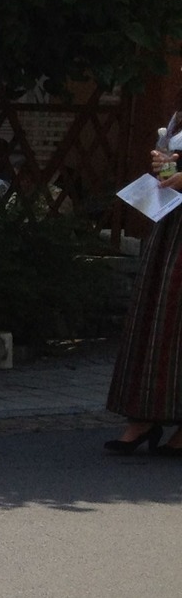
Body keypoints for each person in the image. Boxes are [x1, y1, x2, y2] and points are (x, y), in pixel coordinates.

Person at [105, 109, 182, 453]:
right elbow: (170, 165)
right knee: (157, 317)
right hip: (171, 225)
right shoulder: (179, 116)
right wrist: (164, 167)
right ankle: (144, 418)